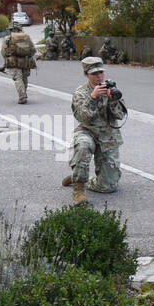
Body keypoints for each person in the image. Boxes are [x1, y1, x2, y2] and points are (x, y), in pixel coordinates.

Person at [61, 56, 126, 205]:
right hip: (87, 131)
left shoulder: (111, 88)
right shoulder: (80, 93)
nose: (99, 76)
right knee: (83, 146)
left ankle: (81, 178)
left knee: (108, 187)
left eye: (101, 72)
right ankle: (78, 189)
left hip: (108, 136)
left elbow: (120, 115)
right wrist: (93, 97)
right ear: (86, 75)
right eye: (94, 74)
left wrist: (112, 101)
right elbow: (84, 117)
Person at [1, 22, 37, 104]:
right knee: (24, 78)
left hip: (13, 62)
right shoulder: (26, 37)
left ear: (10, 29)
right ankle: (24, 93)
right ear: (20, 29)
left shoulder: (7, 38)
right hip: (25, 61)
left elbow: (3, 52)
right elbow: (33, 50)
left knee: (18, 78)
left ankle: (22, 96)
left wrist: (6, 60)